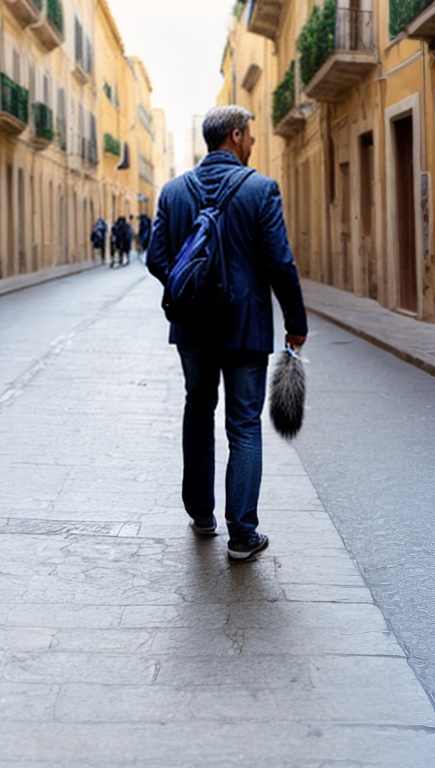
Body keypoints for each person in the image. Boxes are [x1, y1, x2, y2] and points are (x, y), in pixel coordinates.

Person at [146, 105, 308, 561]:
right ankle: (242, 534)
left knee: (198, 410)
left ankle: (201, 514)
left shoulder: (174, 192)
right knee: (243, 424)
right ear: (236, 136)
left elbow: (156, 258)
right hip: (246, 327)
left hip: (192, 328)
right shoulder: (261, 189)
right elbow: (280, 261)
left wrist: (188, 287)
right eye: (250, 134)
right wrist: (296, 323)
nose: (253, 141)